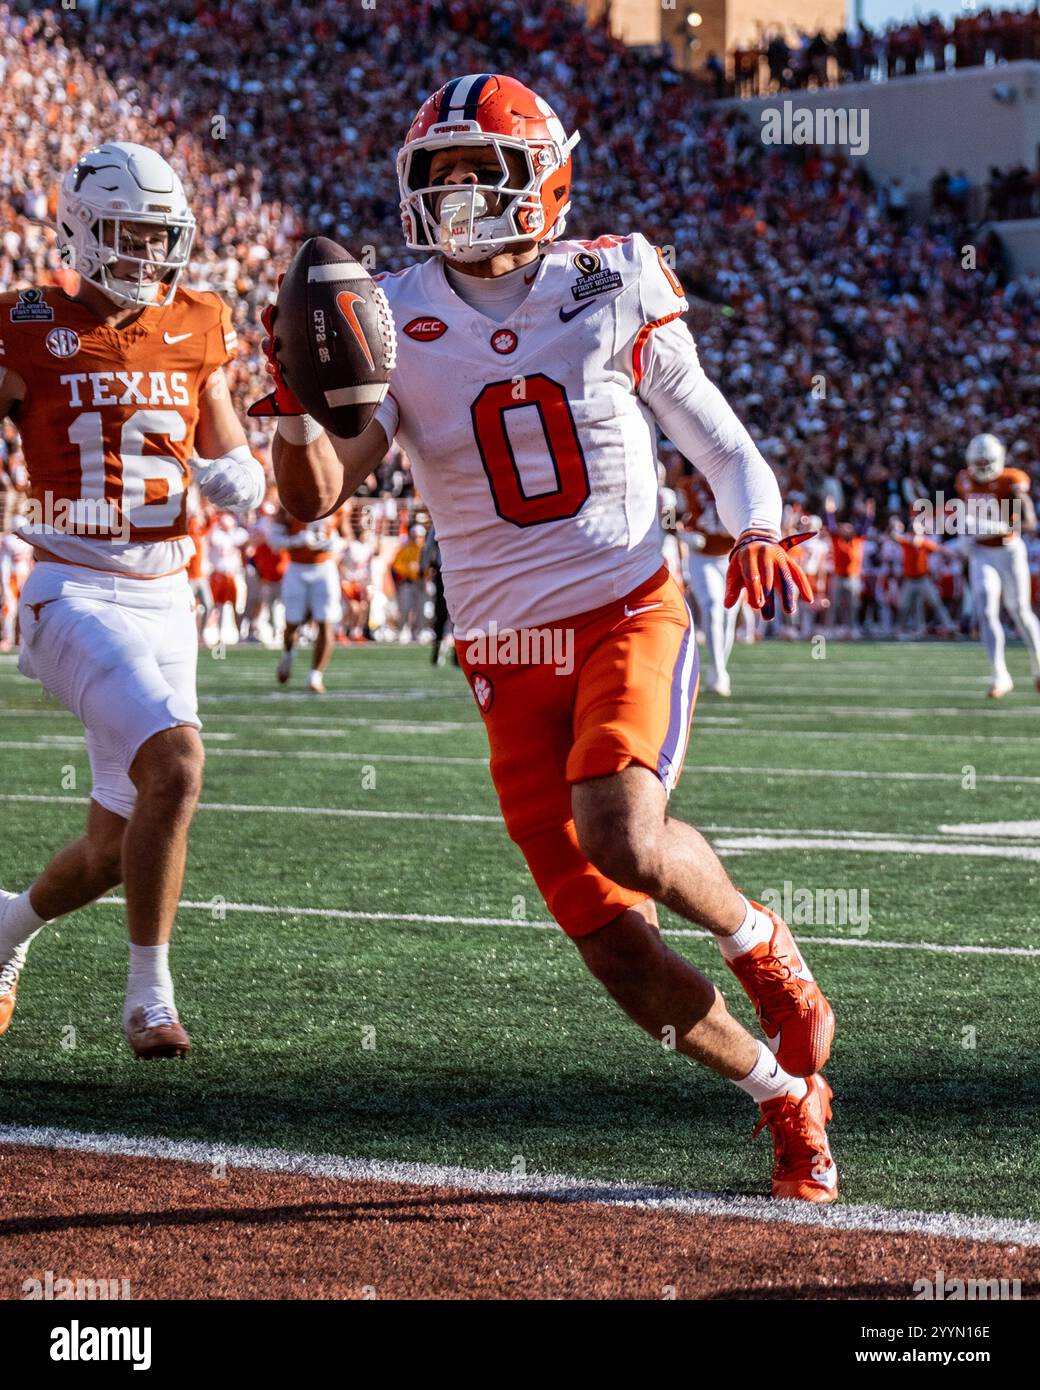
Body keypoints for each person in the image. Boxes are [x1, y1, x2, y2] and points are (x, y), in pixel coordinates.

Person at [259, 75, 835, 1202]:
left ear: (545, 178)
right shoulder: (393, 309)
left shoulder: (610, 274)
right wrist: (298, 398)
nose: (460, 192)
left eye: (483, 170)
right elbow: (311, 497)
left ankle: (759, 938)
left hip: (624, 603)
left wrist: (754, 521)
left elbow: (718, 442)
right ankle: (781, 1097)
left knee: (620, 826)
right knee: (616, 955)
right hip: (498, 656)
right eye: (442, 175)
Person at [0, 143, 265, 1055]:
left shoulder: (198, 317)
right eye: (126, 233)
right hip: (67, 590)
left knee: (116, 847)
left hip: (168, 599)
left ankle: (3, 932)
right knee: (180, 765)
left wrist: (239, 475)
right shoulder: (25, 318)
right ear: (78, 228)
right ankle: (148, 998)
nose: (146, 253)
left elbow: (229, 446)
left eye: (160, 236)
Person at [956, 433, 1040, 697]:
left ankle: (1038, 666)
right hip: (982, 552)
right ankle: (999, 675)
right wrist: (966, 533)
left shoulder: (1012, 479)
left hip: (1008, 550)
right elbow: (965, 514)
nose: (981, 468)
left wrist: (997, 527)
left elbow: (1030, 523)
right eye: (977, 463)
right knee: (986, 607)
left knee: (1020, 610)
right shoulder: (963, 479)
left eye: (986, 462)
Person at [272, 505, 344, 693]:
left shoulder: (336, 501)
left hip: (324, 567)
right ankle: (288, 654)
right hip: (296, 568)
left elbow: (346, 534)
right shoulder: (289, 501)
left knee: (326, 622)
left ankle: (316, 675)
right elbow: (274, 540)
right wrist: (296, 541)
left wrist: (335, 543)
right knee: (292, 623)